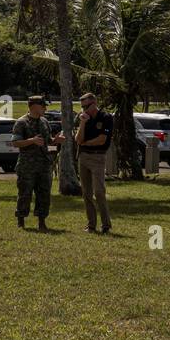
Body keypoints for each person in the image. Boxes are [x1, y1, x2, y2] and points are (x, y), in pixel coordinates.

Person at [11, 95, 65, 231]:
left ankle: (42, 222)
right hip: (27, 165)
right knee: (25, 193)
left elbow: (47, 140)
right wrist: (32, 141)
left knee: (44, 194)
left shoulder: (44, 121)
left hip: (44, 165)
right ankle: (21, 220)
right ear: (34, 106)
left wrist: (55, 140)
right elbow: (15, 143)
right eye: (43, 105)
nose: (45, 108)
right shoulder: (21, 122)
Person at [75, 92, 113, 234]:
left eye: (86, 106)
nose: (84, 109)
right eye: (82, 106)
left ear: (94, 103)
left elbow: (102, 139)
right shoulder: (84, 118)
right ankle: (91, 225)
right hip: (84, 157)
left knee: (99, 192)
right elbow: (78, 140)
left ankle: (106, 225)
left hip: (98, 157)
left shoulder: (106, 117)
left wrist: (86, 143)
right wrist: (83, 123)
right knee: (86, 193)